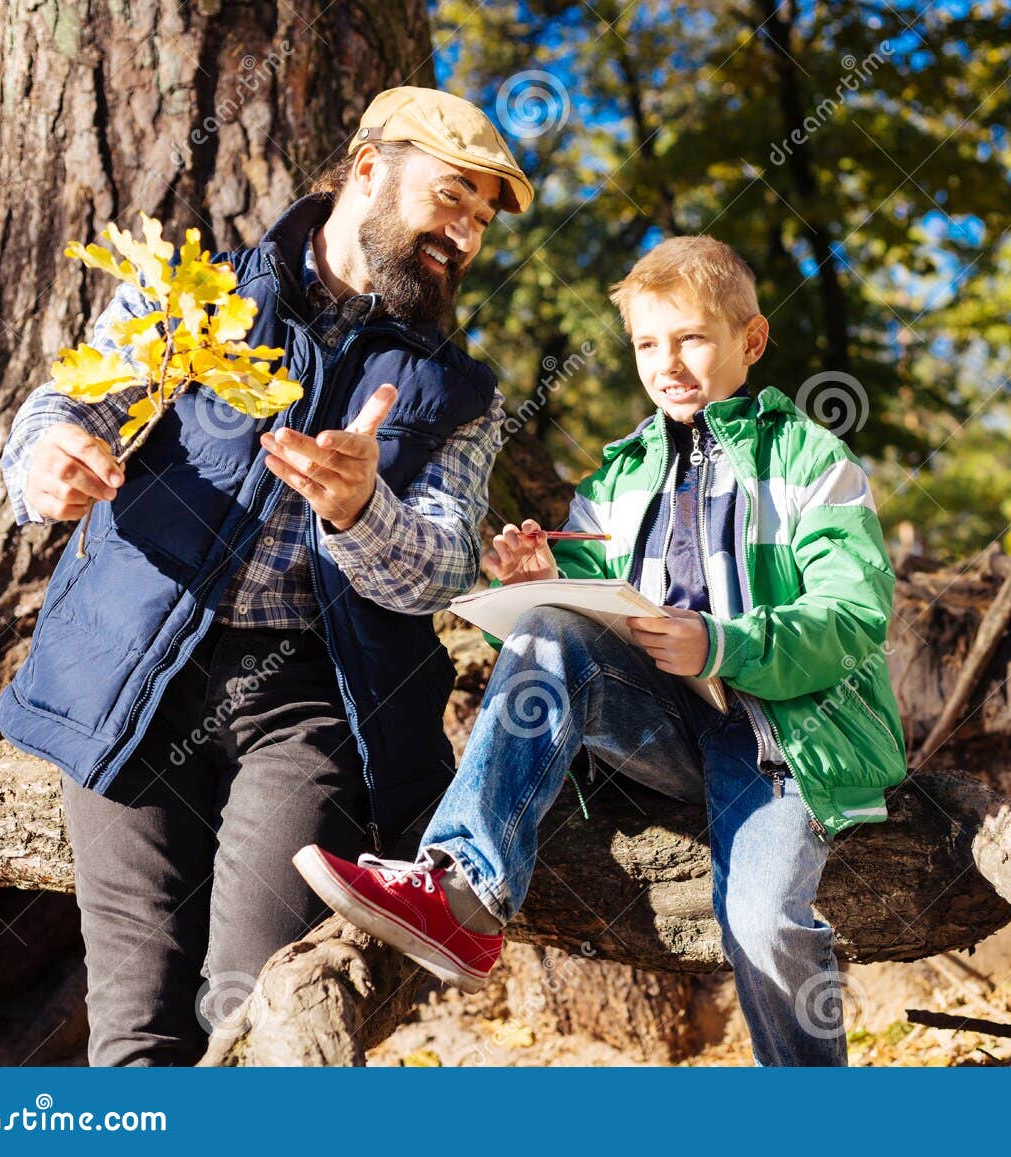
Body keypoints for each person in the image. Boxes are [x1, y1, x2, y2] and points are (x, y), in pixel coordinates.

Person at [0, 87, 534, 1066]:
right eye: (452, 196)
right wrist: (47, 464)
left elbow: (443, 567)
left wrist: (360, 509)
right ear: (367, 169)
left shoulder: (461, 391)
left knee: (250, 1019)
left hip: (305, 707)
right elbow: (60, 409)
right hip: (125, 677)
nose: (464, 232)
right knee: (138, 1028)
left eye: (481, 218)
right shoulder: (188, 291)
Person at [295, 235, 906, 1065]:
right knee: (551, 629)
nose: (670, 364)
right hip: (665, 731)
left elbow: (853, 614)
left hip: (783, 739)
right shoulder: (618, 480)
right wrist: (540, 582)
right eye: (648, 344)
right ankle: (463, 891)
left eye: (692, 337)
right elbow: (576, 628)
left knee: (761, 921)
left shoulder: (809, 461)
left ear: (750, 342)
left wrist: (720, 642)